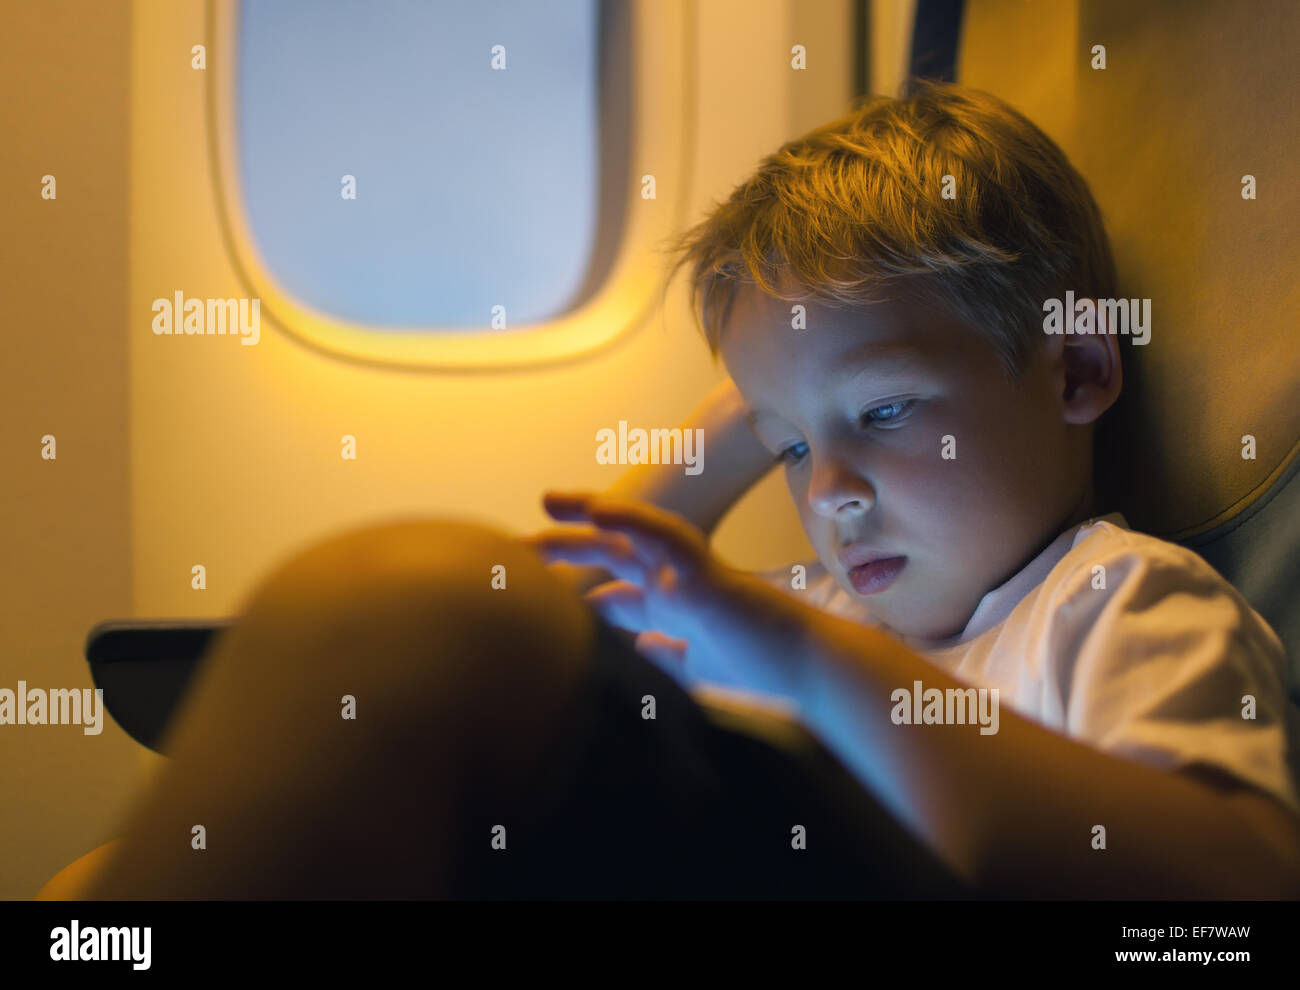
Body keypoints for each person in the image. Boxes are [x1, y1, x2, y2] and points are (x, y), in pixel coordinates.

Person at [76, 79, 1299, 900]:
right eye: (786, 451)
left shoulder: (1113, 604)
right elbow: (568, 605)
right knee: (102, 877)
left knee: (408, 607)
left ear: (1079, 368)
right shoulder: (819, 601)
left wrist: (799, 657)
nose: (834, 490)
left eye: (881, 412)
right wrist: (771, 413)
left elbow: (1237, 885)